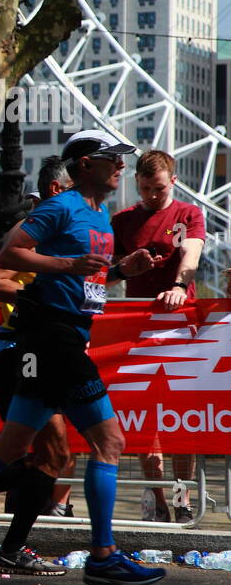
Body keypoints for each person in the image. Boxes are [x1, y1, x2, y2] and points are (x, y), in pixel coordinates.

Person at [0, 130, 166, 585]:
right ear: (86, 164)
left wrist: (121, 271)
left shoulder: (100, 215)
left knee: (13, 446)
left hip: (61, 334)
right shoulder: (60, 206)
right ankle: (103, 556)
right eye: (115, 159)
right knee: (109, 441)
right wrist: (69, 267)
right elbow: (9, 255)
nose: (122, 167)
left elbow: (84, 282)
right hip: (53, 338)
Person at [0, 157, 76, 575]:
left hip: (46, 350)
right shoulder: (36, 229)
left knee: (43, 454)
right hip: (17, 349)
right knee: (52, 450)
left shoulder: (69, 231)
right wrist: (38, 298)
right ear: (59, 190)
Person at [111, 149, 206, 523]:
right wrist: (123, 269)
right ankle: (157, 500)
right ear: (137, 182)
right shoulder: (121, 221)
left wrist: (181, 284)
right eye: (147, 187)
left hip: (181, 327)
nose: (153, 194)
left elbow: (192, 251)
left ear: (175, 182)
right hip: (140, 328)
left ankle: (182, 501)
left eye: (160, 188)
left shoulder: (188, 214)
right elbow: (106, 271)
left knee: (182, 420)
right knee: (145, 420)